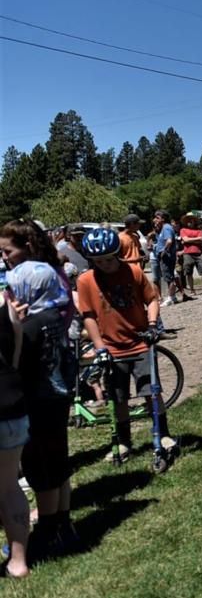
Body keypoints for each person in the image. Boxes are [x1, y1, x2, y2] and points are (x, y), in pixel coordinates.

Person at [1, 220, 77, 557]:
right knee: (59, 462)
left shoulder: (29, 325)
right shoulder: (52, 316)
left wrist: (12, 327)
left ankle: (47, 532)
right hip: (59, 397)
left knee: (40, 469)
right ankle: (63, 524)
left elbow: (14, 363)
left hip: (35, 400)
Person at [76, 227, 171, 462]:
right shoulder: (86, 280)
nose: (105, 265)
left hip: (140, 343)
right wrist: (99, 347)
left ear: (117, 254)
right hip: (111, 348)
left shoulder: (134, 271)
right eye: (98, 261)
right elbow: (88, 315)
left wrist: (152, 325)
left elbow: (151, 299)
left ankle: (163, 434)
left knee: (152, 391)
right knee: (118, 398)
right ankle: (124, 441)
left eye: (109, 259)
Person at [0, 296, 31, 578]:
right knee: (9, 486)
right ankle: (18, 563)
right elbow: (15, 358)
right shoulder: (5, 302)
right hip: (11, 403)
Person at [152, 210, 179, 304]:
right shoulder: (163, 228)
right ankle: (173, 297)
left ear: (163, 219)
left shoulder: (166, 228)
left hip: (166, 256)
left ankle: (170, 298)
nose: (154, 219)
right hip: (165, 256)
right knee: (168, 276)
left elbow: (169, 241)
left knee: (169, 277)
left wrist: (164, 252)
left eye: (157, 218)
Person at [178, 214, 202, 294]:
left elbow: (201, 239)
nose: (190, 221)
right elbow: (185, 239)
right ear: (186, 222)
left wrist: (188, 240)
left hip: (199, 253)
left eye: (191, 220)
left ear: (194, 221)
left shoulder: (199, 230)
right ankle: (192, 289)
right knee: (189, 273)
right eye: (188, 220)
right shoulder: (183, 230)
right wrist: (196, 240)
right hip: (187, 254)